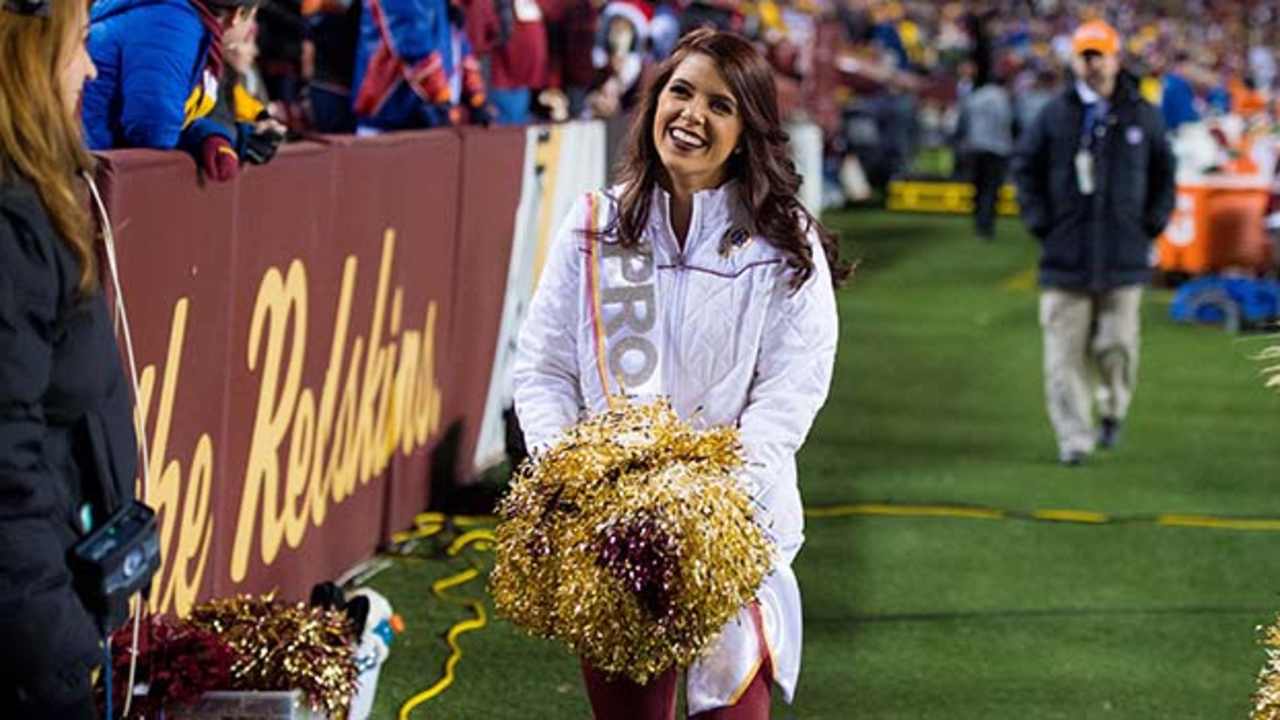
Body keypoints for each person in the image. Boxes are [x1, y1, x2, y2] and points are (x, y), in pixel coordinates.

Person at [513, 28, 847, 719]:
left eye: (720, 105)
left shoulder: (785, 243)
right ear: (655, 101)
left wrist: (708, 512)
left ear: (747, 129)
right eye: (681, 92)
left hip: (732, 534)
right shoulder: (594, 226)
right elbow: (543, 369)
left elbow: (790, 392)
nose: (692, 115)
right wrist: (574, 480)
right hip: (611, 538)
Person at [0, 0, 141, 716]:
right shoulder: (9, 224)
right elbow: (5, 471)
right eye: (80, 45)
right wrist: (56, 647)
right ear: (27, 59)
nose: (90, 67)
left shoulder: (32, 198)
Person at [1012, 19, 1175, 466]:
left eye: (1099, 54)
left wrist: (1151, 224)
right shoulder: (1053, 114)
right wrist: (1042, 222)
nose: (1093, 64)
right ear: (1075, 61)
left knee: (1117, 347)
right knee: (1063, 358)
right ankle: (1074, 439)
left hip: (1123, 255)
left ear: (1115, 58)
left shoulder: (1144, 114)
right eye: (1085, 55)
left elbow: (1165, 174)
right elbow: (1024, 167)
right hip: (1066, 257)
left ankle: (1112, 408)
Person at [80, 0, 264, 182]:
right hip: (82, 166)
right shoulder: (173, 22)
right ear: (237, 16)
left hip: (87, 160)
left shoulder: (184, 22)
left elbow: (167, 116)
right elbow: (153, 128)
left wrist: (208, 136)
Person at [956, 59, 1014, 239]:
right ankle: (986, 227)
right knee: (991, 189)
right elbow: (1008, 121)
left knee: (978, 188)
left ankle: (978, 225)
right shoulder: (1001, 97)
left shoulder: (975, 97)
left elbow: (962, 122)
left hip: (975, 147)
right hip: (997, 149)